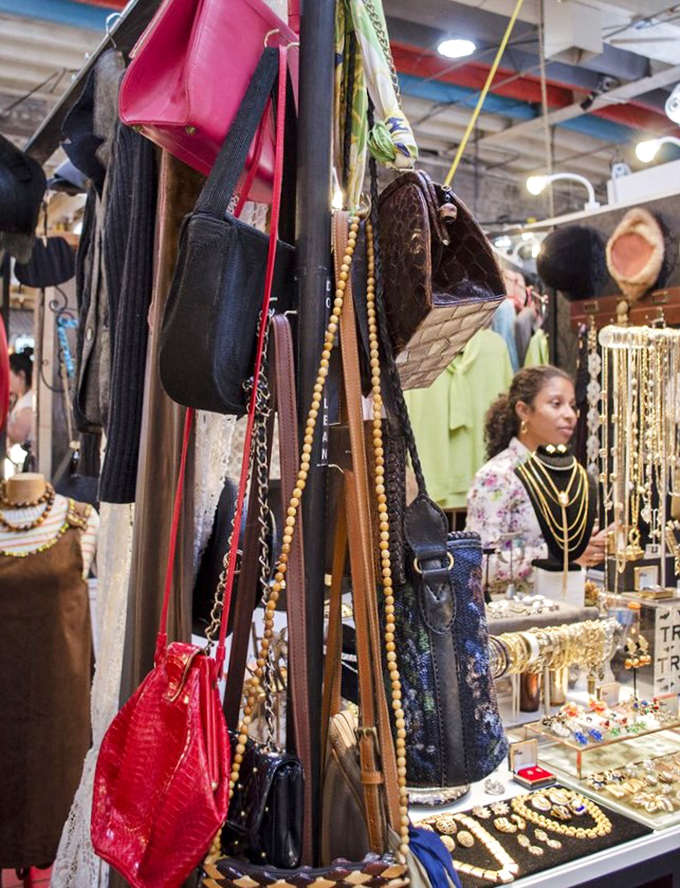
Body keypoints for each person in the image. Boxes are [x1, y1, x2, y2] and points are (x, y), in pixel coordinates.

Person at [466, 365, 607, 594]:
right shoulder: (497, 477)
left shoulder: (568, 475)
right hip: (513, 618)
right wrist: (564, 553)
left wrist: (592, 545)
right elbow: (479, 564)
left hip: (565, 604)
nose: (570, 415)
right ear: (524, 411)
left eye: (572, 406)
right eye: (556, 404)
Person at [7, 347, 35, 448]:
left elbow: (18, 436)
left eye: (9, 377)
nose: (7, 382)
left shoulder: (28, 403)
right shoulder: (21, 397)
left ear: (21, 376)